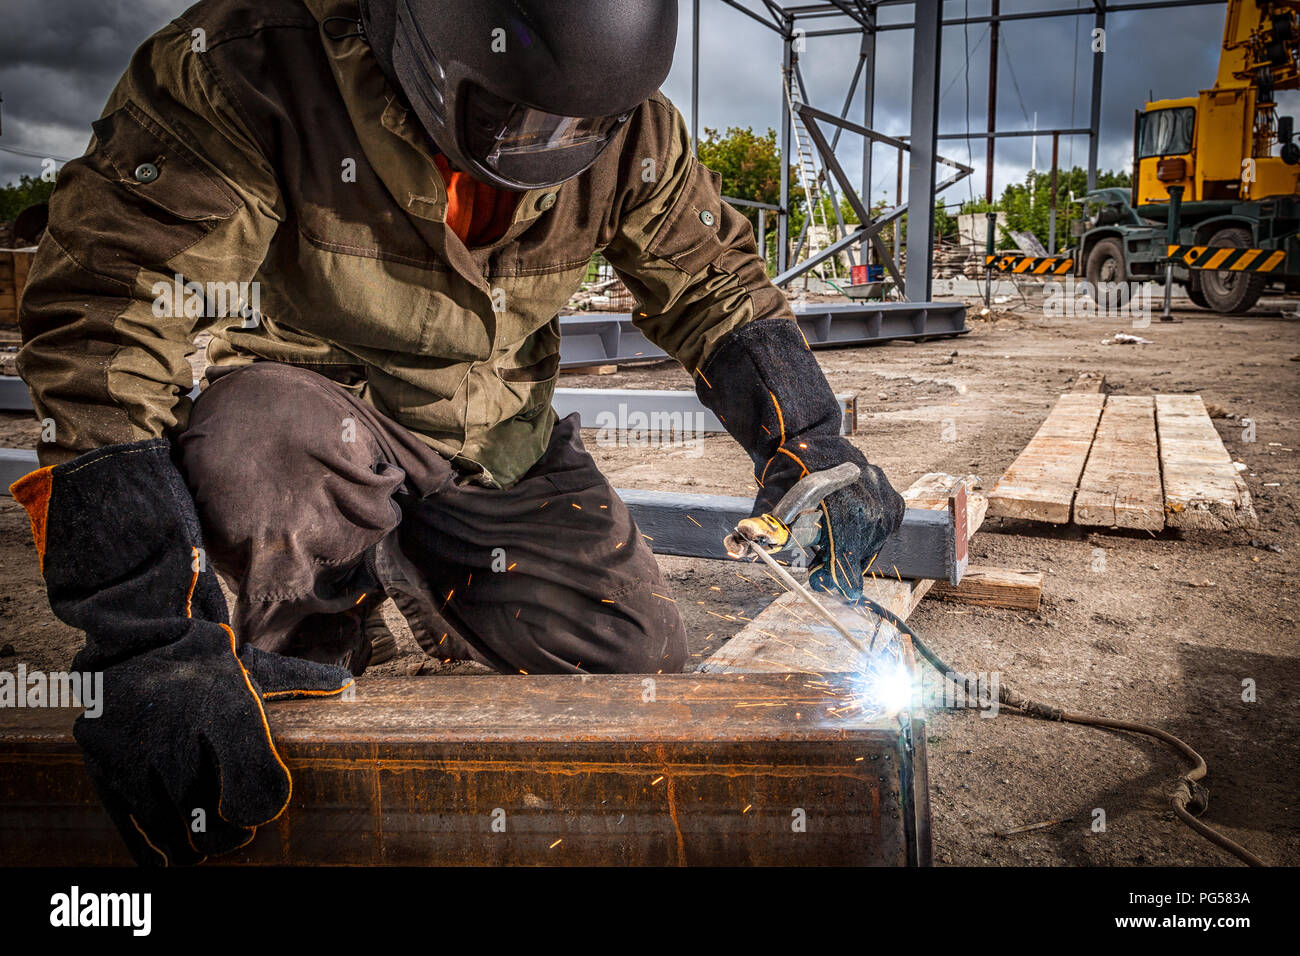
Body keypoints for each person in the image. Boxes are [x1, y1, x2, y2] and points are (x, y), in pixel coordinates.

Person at [10, 0, 904, 865]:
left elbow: (716, 288)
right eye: (521, 121)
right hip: (318, 426)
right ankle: (324, 615)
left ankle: (418, 555)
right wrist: (143, 634)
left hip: (494, 438)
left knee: (636, 660)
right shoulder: (246, 62)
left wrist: (811, 440)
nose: (554, 147)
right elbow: (105, 322)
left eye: (582, 126)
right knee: (258, 461)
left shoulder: (629, 123)